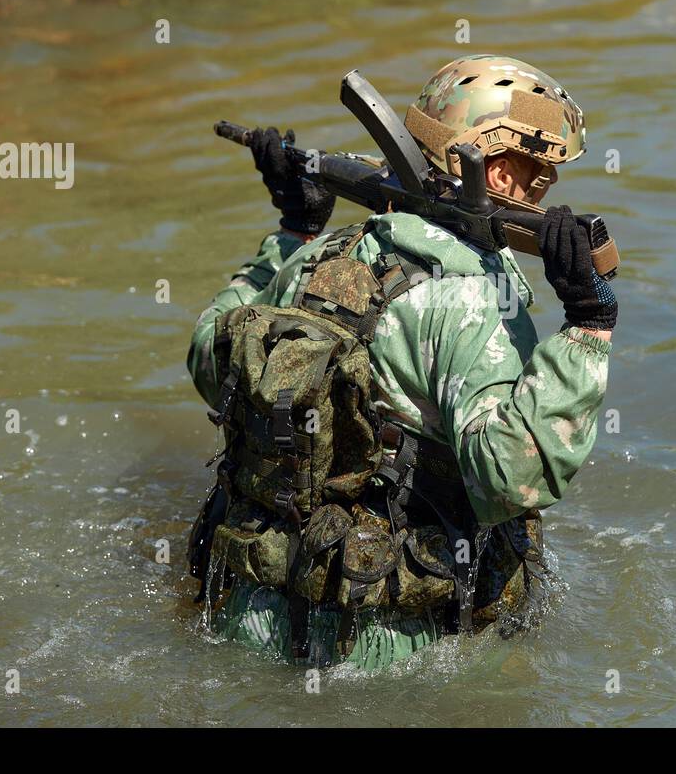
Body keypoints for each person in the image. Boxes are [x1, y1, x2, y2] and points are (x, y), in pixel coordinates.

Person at [186, 55, 616, 670]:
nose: (547, 185)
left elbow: (209, 357)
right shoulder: (472, 300)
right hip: (393, 650)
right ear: (494, 167)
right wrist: (586, 328)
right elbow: (510, 477)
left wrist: (292, 231)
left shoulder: (321, 260)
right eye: (539, 170)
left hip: (251, 615)